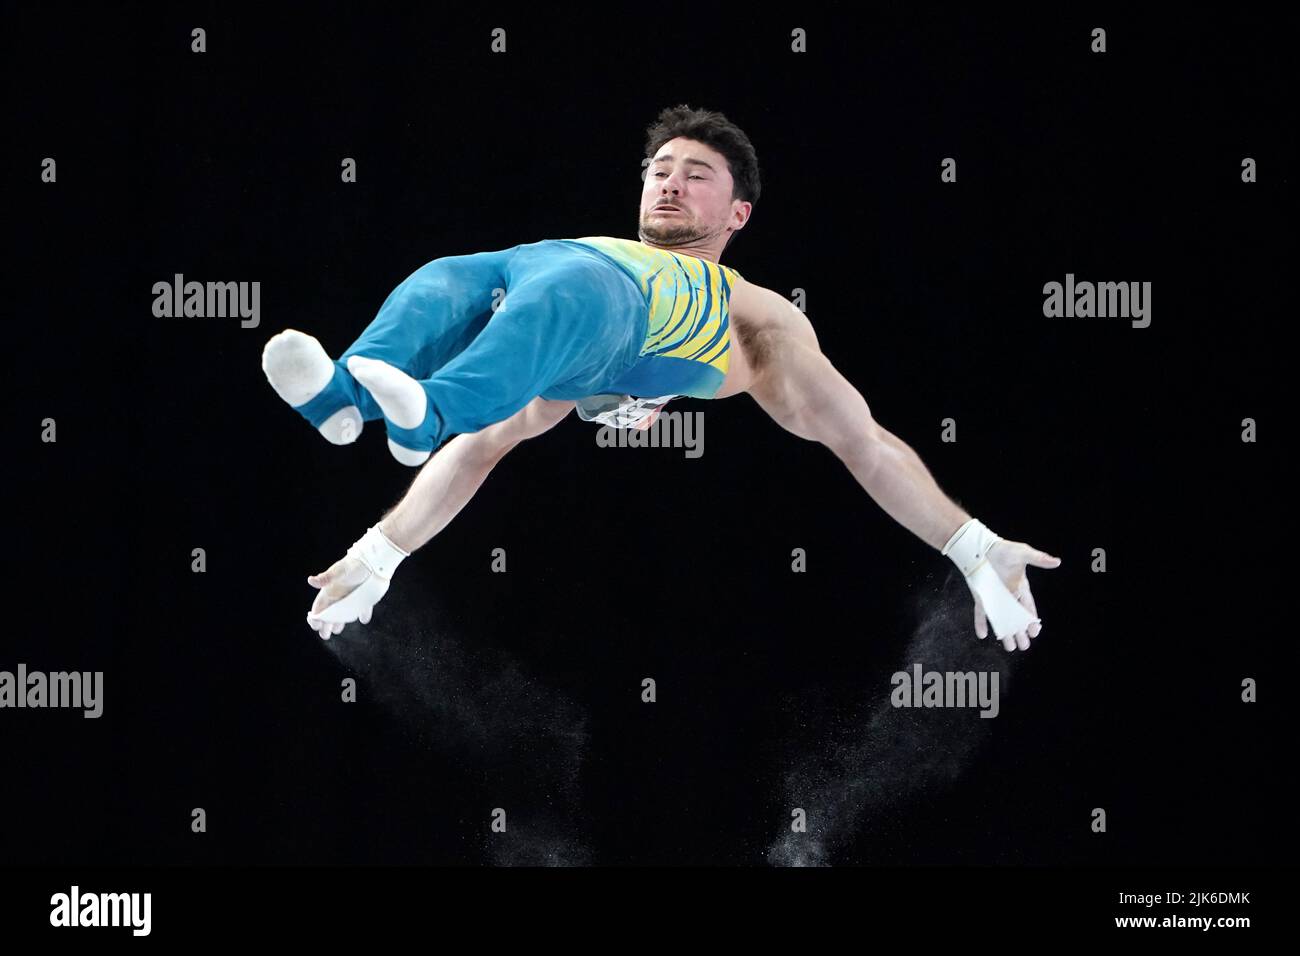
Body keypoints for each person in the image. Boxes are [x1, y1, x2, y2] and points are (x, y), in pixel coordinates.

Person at [262, 105, 1060, 652]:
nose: (670, 182)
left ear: (738, 214)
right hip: (541, 267)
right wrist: (378, 554)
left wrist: (973, 545)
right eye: (659, 168)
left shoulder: (762, 321)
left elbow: (866, 444)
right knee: (441, 279)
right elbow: (484, 454)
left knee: (523, 349)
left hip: (606, 301)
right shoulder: (595, 331)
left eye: (697, 174)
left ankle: (420, 416)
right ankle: (345, 400)